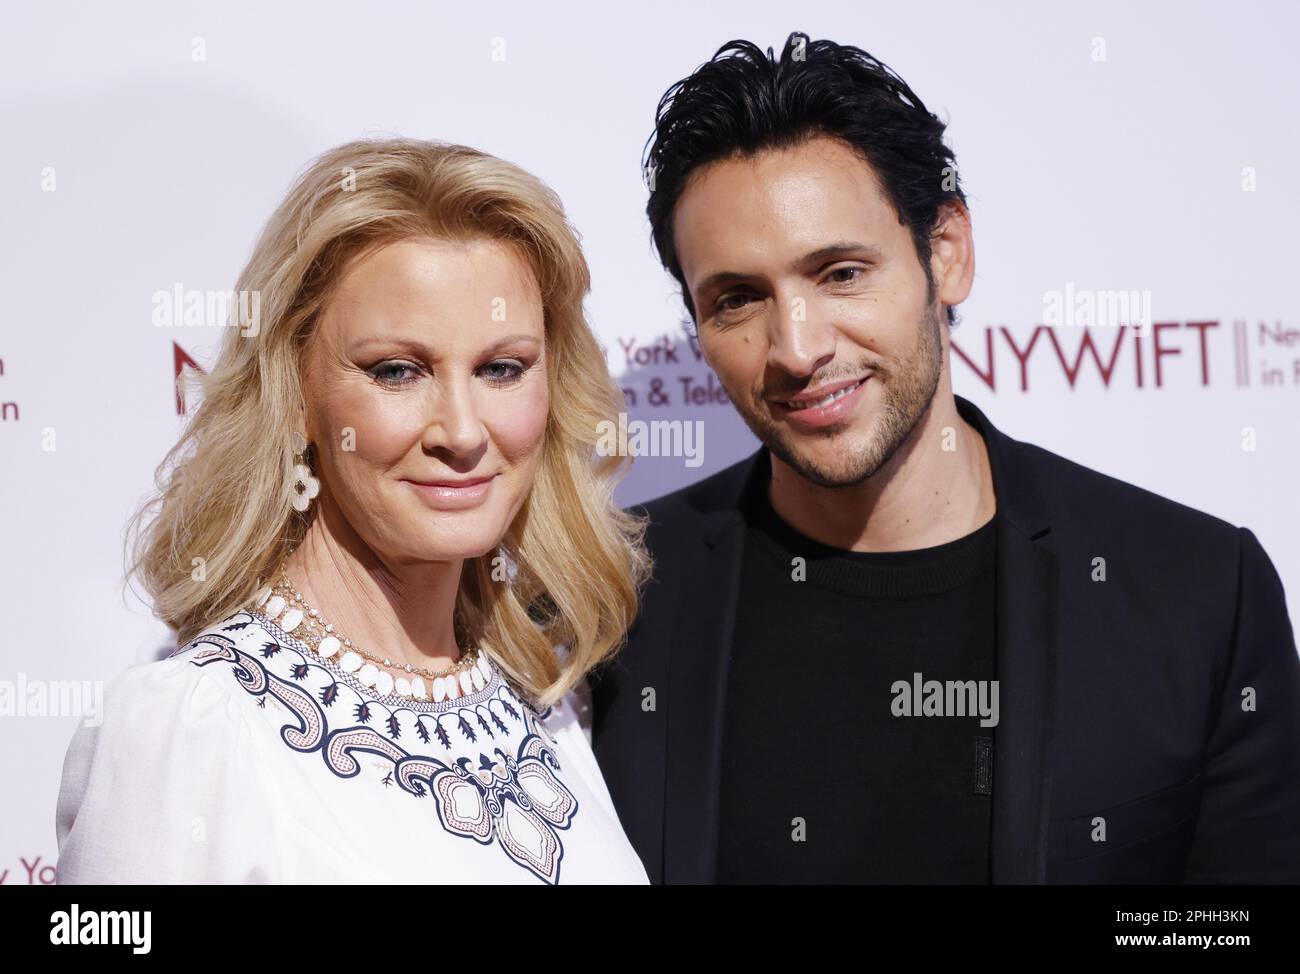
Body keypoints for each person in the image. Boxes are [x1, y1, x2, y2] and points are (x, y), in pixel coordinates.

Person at [589, 32, 1300, 883]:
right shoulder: (613, 598)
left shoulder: (1195, 588)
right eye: (738, 298)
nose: (796, 347)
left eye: (842, 273)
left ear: (946, 253)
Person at [55, 137, 651, 885]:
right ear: (296, 395)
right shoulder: (189, 731)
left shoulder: (551, 710)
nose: (463, 433)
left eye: (502, 368)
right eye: (397, 372)